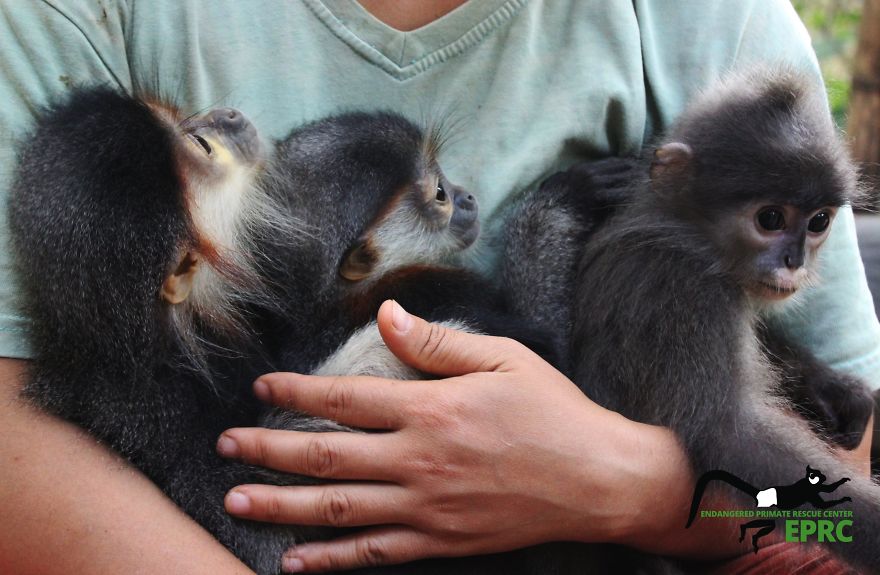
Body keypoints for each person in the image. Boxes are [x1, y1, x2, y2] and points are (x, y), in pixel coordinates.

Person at [0, 1, 876, 573]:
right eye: (772, 221)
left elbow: (838, 492)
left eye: (816, 225)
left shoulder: (722, 38)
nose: (794, 261)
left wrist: (633, 489)